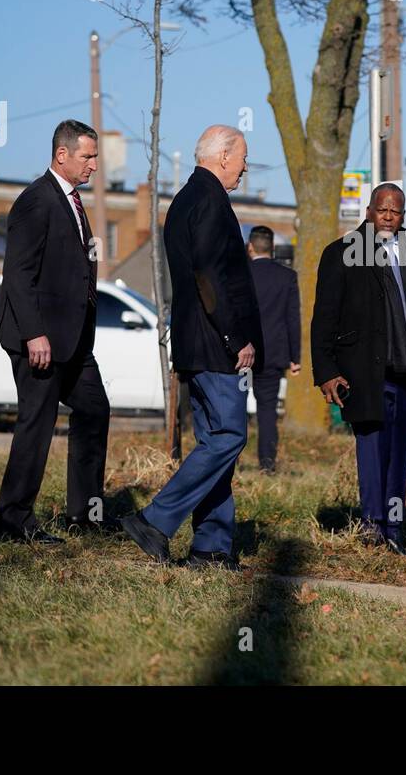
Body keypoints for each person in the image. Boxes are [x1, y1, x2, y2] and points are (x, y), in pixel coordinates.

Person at [119, 125, 262, 569]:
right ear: (224, 156)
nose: (245, 168)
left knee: (213, 441)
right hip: (215, 344)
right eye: (243, 158)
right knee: (229, 436)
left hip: (195, 342)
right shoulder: (209, 201)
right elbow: (208, 276)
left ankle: (211, 547)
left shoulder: (187, 198)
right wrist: (234, 337)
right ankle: (155, 520)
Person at [311, 183, 406, 559]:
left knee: (401, 455)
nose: (389, 217)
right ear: (369, 211)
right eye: (382, 209)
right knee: (372, 449)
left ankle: (393, 529)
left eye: (396, 211)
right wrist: (326, 371)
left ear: (403, 215)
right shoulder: (341, 252)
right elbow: (324, 317)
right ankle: (372, 527)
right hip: (365, 371)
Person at [0, 120, 111, 544]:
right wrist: (34, 334)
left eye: (95, 157)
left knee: (95, 410)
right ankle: (14, 520)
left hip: (74, 341)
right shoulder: (36, 200)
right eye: (87, 156)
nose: (94, 165)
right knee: (37, 424)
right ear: (62, 155)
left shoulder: (72, 202)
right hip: (39, 340)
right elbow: (18, 274)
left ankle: (86, 514)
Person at [246, 225, 300, 473]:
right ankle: (267, 463)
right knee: (267, 410)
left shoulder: (241, 274)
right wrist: (295, 357)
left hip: (240, 353)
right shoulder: (286, 277)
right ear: (273, 247)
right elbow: (292, 318)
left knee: (235, 406)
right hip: (273, 353)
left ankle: (229, 460)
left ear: (250, 247)